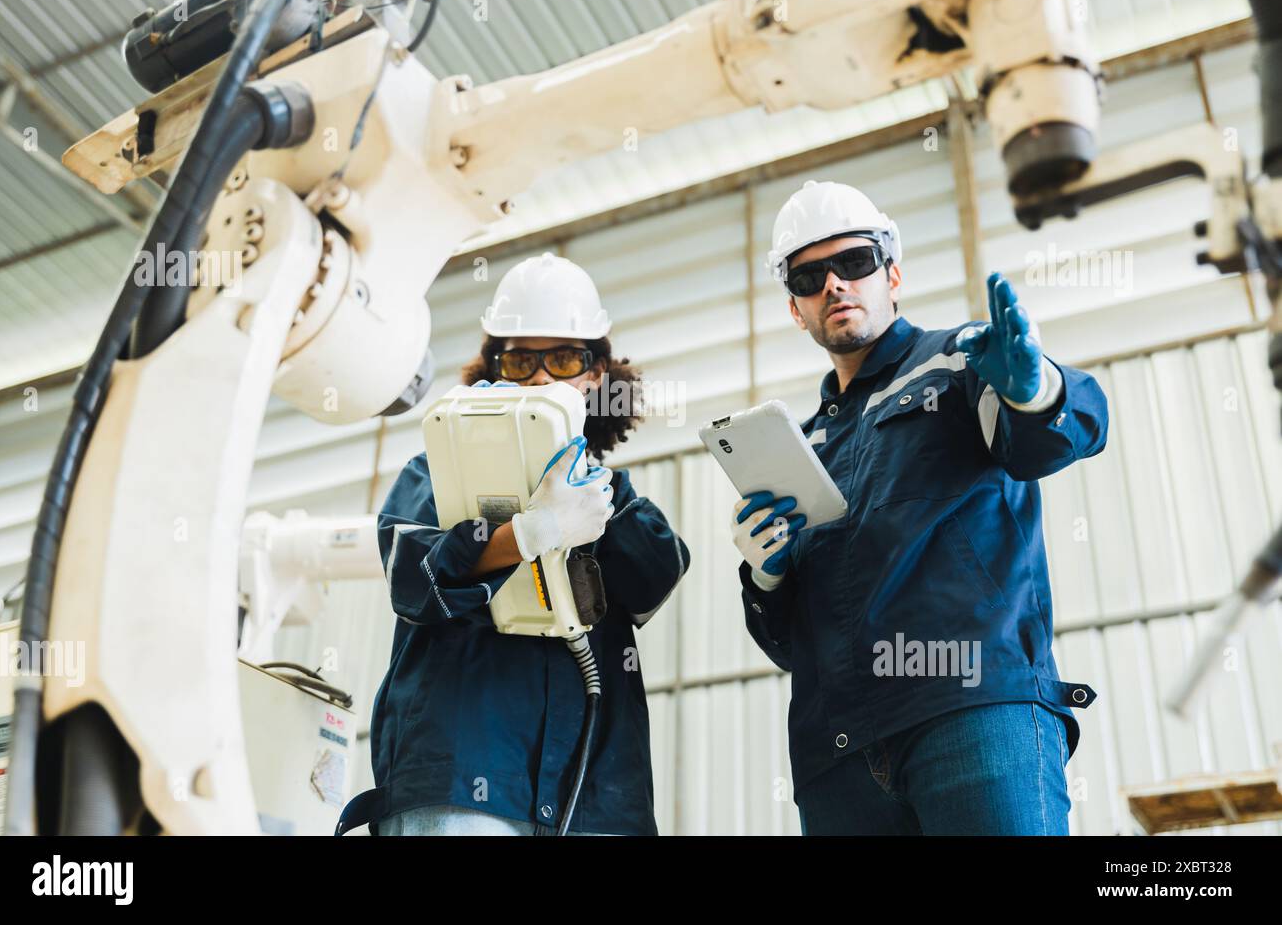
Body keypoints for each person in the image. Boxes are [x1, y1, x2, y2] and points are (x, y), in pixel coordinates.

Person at [734, 180, 1109, 835]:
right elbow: (794, 645)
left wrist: (1037, 389)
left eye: (853, 263)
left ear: (892, 274)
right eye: (809, 275)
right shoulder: (800, 449)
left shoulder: (961, 361)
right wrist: (764, 578)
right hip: (840, 762)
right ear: (795, 308)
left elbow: (1058, 434)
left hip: (970, 716)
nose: (834, 285)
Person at [338, 252, 688, 836]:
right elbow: (415, 578)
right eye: (522, 360)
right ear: (494, 369)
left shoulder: (611, 500)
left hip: (594, 805)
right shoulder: (437, 470)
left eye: (565, 358)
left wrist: (587, 494)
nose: (544, 377)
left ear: (595, 375)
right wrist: (531, 533)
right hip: (465, 789)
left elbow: (657, 573)